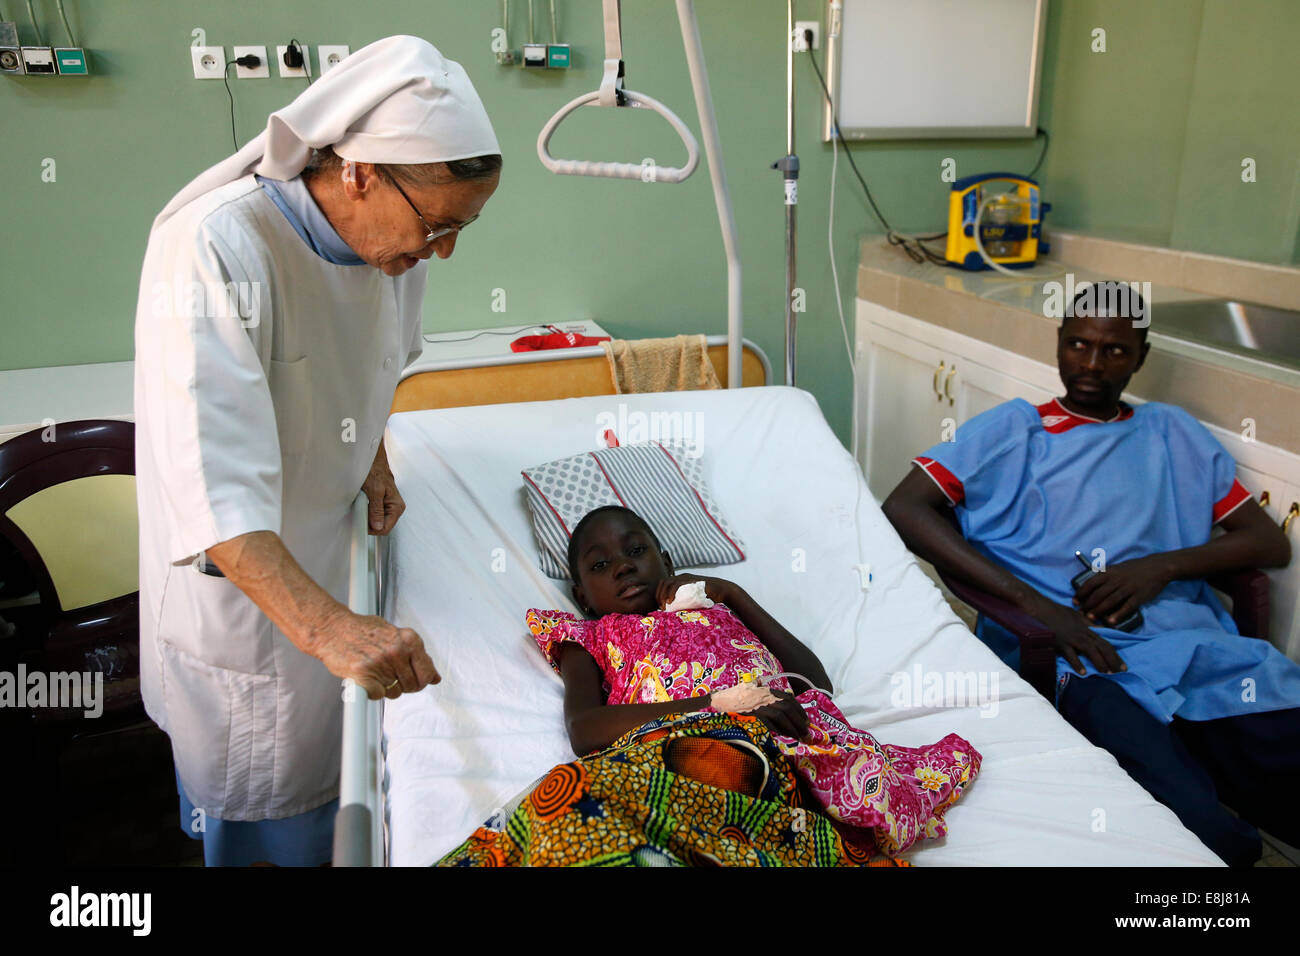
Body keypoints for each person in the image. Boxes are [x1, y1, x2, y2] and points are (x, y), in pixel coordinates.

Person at [133, 36, 500, 866]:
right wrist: (333, 628)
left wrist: (370, 455)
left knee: (329, 786)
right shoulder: (218, 249)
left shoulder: (394, 249)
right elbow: (209, 486)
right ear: (362, 172)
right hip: (244, 603)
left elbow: (377, 365)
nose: (442, 251)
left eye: (461, 230)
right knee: (257, 808)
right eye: (439, 225)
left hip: (327, 558)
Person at [881, 281, 1300, 867]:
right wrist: (1042, 610)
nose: (1092, 364)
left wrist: (1158, 568)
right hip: (1082, 659)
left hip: (1188, 641)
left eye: (1115, 351)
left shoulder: (1172, 434)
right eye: (1078, 345)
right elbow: (903, 508)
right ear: (1059, 343)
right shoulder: (1014, 432)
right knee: (1204, 832)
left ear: (1141, 358)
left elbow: (1267, 541)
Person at [493, 505, 979, 862]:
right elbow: (585, 729)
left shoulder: (715, 609)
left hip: (780, 747)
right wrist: (720, 705)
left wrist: (732, 594)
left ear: (664, 558)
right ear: (582, 596)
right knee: (570, 791)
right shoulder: (590, 637)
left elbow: (816, 685)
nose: (622, 565)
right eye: (600, 566)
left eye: (636, 550)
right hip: (682, 749)